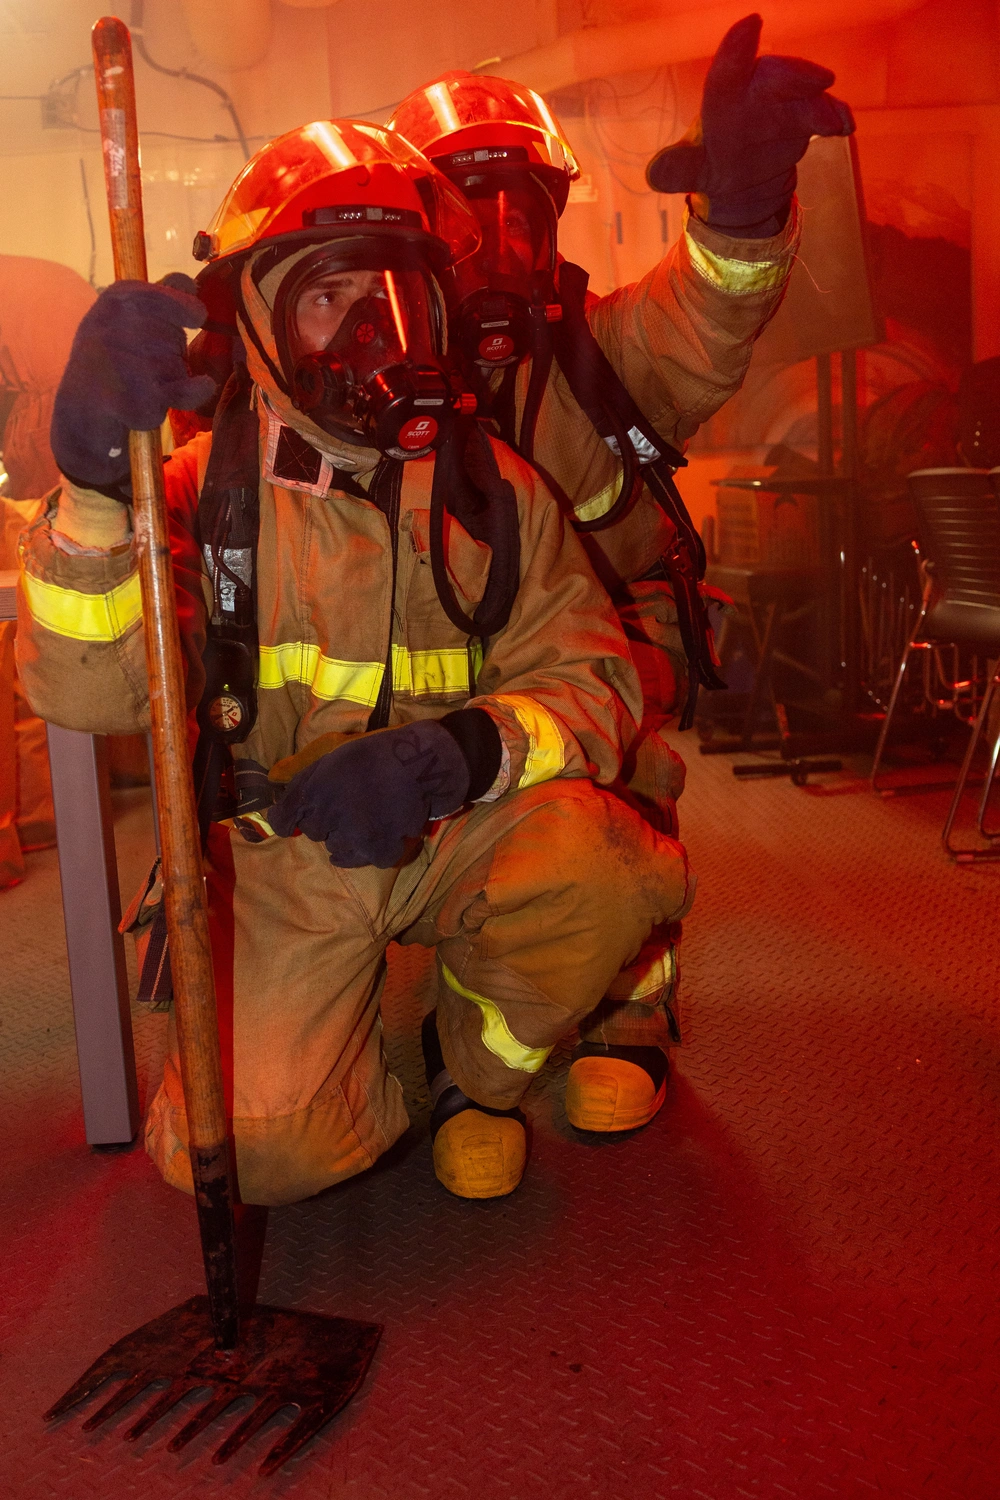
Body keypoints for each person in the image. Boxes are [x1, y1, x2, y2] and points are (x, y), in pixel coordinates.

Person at [16, 121, 693, 1205]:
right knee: (256, 1149)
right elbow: (89, 695)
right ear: (261, 325)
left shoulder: (495, 493)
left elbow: (594, 684)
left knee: (606, 869)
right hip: (283, 854)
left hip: (457, 828)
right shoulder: (195, 493)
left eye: (391, 293)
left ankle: (474, 1073)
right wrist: (98, 497)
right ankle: (346, 1036)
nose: (370, 330)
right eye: (327, 298)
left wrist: (458, 755)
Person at [386, 14, 854, 1130]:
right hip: (441, 679)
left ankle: (629, 1011)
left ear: (555, 218)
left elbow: (707, 312)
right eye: (466, 215)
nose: (499, 242)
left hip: (604, 658)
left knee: (623, 779)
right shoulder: (373, 390)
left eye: (524, 210)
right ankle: (470, 1004)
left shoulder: (604, 354)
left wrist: (741, 213)